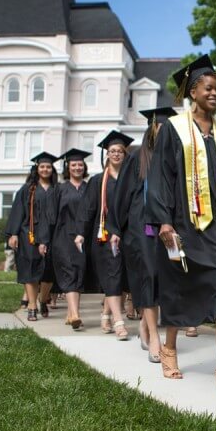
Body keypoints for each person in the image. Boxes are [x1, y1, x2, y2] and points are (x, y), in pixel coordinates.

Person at [146, 55, 216, 393]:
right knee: (181, 284)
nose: (215, 93)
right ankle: (170, 347)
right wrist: (162, 221)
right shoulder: (175, 130)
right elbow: (160, 176)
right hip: (185, 221)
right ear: (192, 91)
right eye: (208, 87)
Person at [112, 107, 177, 363]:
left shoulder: (175, 157)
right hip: (143, 228)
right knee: (149, 277)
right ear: (150, 130)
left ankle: (145, 327)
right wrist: (117, 229)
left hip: (171, 227)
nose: (163, 134)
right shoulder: (138, 157)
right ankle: (154, 338)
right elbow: (122, 196)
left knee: (168, 279)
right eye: (159, 129)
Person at [77, 130, 133, 339]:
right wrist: (80, 234)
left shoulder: (131, 180)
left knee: (120, 278)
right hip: (104, 236)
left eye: (120, 151)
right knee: (112, 275)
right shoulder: (97, 181)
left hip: (127, 234)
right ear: (106, 154)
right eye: (112, 151)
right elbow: (88, 209)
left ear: (125, 154)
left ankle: (105, 313)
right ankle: (119, 323)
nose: (116, 154)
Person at [5, 152, 59, 321]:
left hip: (52, 235)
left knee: (49, 273)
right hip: (29, 235)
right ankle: (32, 305)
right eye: (42, 166)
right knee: (30, 270)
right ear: (37, 168)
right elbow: (18, 211)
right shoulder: (27, 189)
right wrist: (13, 233)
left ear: (52, 169)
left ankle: (43, 299)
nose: (45, 169)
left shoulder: (57, 189)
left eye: (48, 167)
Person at [47, 148, 91, 330]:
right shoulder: (59, 189)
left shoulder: (90, 188)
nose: (77, 167)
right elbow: (50, 215)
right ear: (68, 167)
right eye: (74, 165)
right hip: (63, 236)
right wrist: (45, 240)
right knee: (69, 271)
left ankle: (72, 312)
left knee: (79, 271)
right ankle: (75, 315)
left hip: (84, 236)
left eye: (80, 164)